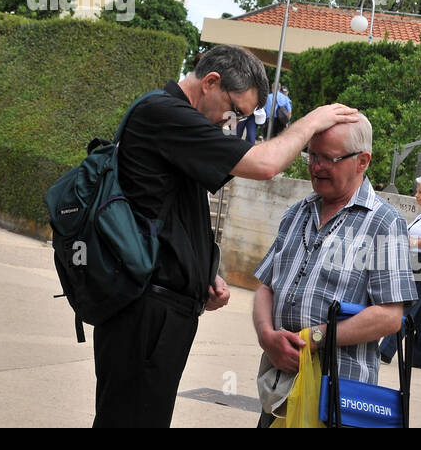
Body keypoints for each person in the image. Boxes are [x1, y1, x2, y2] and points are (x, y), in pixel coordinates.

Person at [93, 44, 360, 427]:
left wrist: (202, 273)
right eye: (234, 112)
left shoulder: (177, 123)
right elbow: (265, 165)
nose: (230, 124)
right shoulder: (165, 114)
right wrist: (311, 122)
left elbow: (170, 216)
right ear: (211, 82)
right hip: (145, 310)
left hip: (160, 310)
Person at [252, 114, 416, 426]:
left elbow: (389, 315)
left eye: (328, 158)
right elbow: (266, 287)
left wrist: (315, 338)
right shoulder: (297, 213)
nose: (316, 166)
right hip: (280, 393)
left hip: (338, 402)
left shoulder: (384, 223)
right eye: (312, 155)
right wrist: (267, 337)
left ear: (362, 161)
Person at [380, 174, 421, 370]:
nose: (416, 195)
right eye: (417, 191)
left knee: (405, 306)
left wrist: (411, 242)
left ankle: (385, 350)